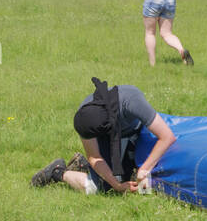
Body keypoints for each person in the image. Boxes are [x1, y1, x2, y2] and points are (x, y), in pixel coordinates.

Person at [31, 78, 177, 195]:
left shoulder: (132, 101)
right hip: (109, 137)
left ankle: (81, 165)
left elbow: (167, 137)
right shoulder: (85, 118)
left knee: (133, 173)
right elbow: (94, 157)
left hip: (133, 132)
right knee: (99, 187)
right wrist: (117, 185)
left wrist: (144, 169)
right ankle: (58, 172)